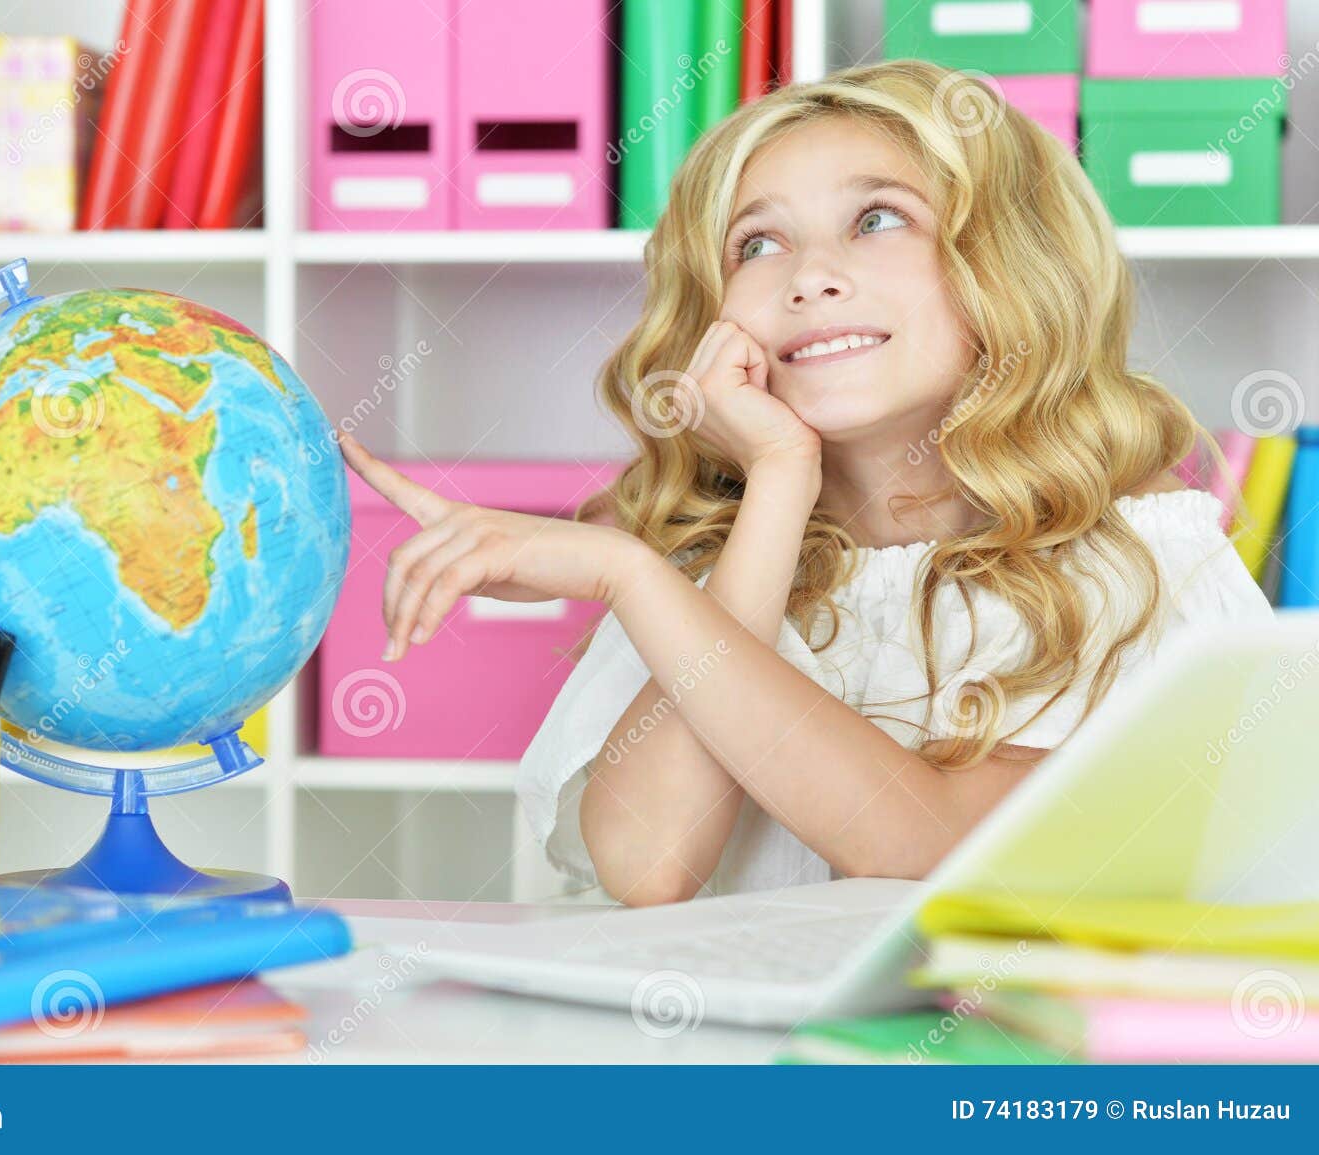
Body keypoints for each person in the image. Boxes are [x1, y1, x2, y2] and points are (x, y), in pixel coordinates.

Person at [338, 60, 1272, 907]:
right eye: (757, 244)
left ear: (1008, 266)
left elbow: (935, 846)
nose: (811, 276)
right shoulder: (723, 564)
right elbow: (649, 863)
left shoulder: (1138, 553)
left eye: (878, 220)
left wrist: (628, 574)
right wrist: (777, 483)